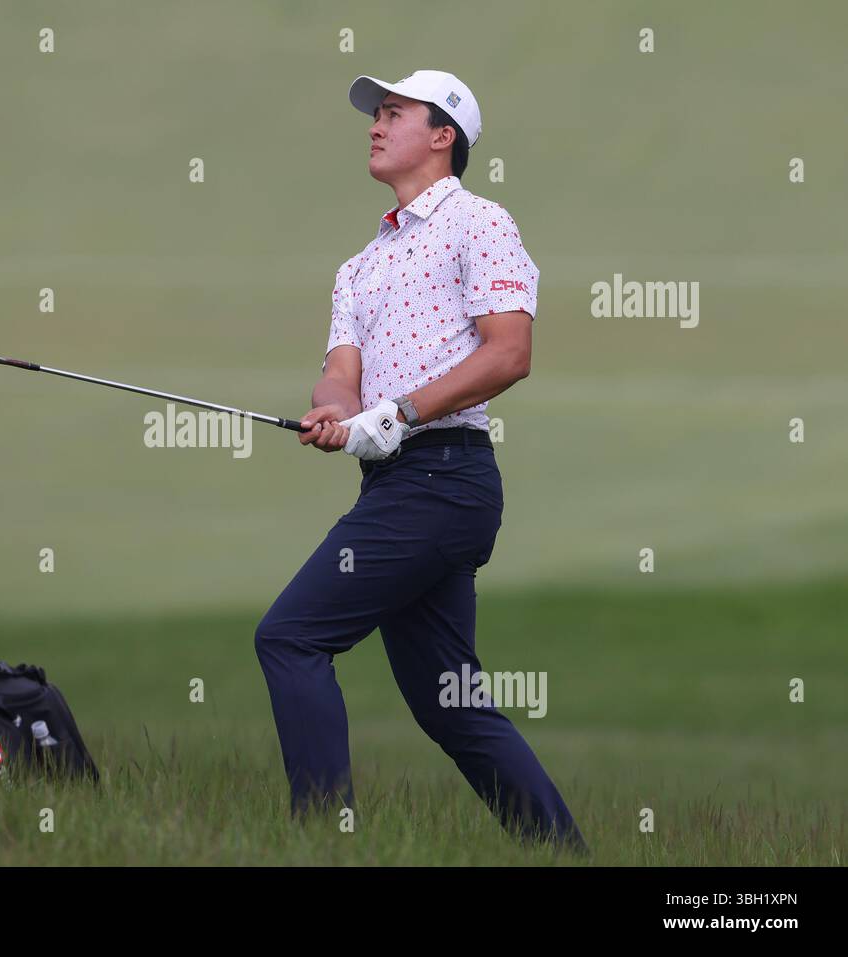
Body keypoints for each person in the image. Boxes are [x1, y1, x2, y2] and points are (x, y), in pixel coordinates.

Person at [255, 69, 585, 848]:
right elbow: (342, 369)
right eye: (377, 113)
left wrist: (398, 413)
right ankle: (562, 852)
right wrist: (336, 412)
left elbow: (510, 353)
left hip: (446, 479)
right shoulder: (359, 264)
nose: (375, 123)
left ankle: (320, 842)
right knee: (451, 701)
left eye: (394, 112)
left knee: (290, 636)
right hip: (399, 484)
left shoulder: (480, 222)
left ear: (444, 136)